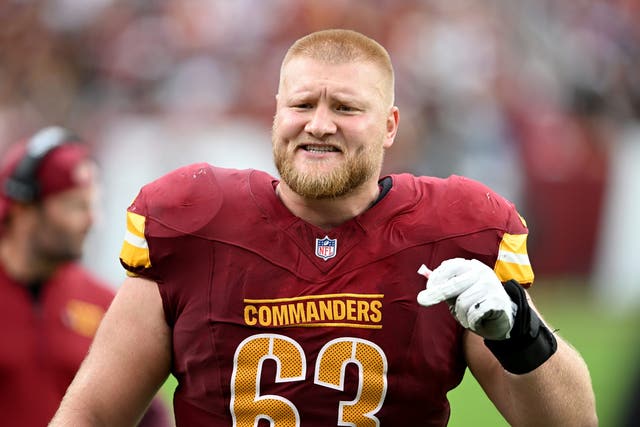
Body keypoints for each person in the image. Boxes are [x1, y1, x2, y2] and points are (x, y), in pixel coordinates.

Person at [50, 29, 597, 426]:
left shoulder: (453, 234)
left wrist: (522, 335)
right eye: (302, 103)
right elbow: (92, 414)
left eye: (346, 108)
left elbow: (572, 423)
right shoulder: (195, 223)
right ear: (276, 114)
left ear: (389, 126)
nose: (318, 124)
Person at [0, 126, 171, 426]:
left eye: (91, 204)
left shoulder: (106, 304)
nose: (92, 220)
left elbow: (149, 415)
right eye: (75, 206)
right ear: (24, 208)